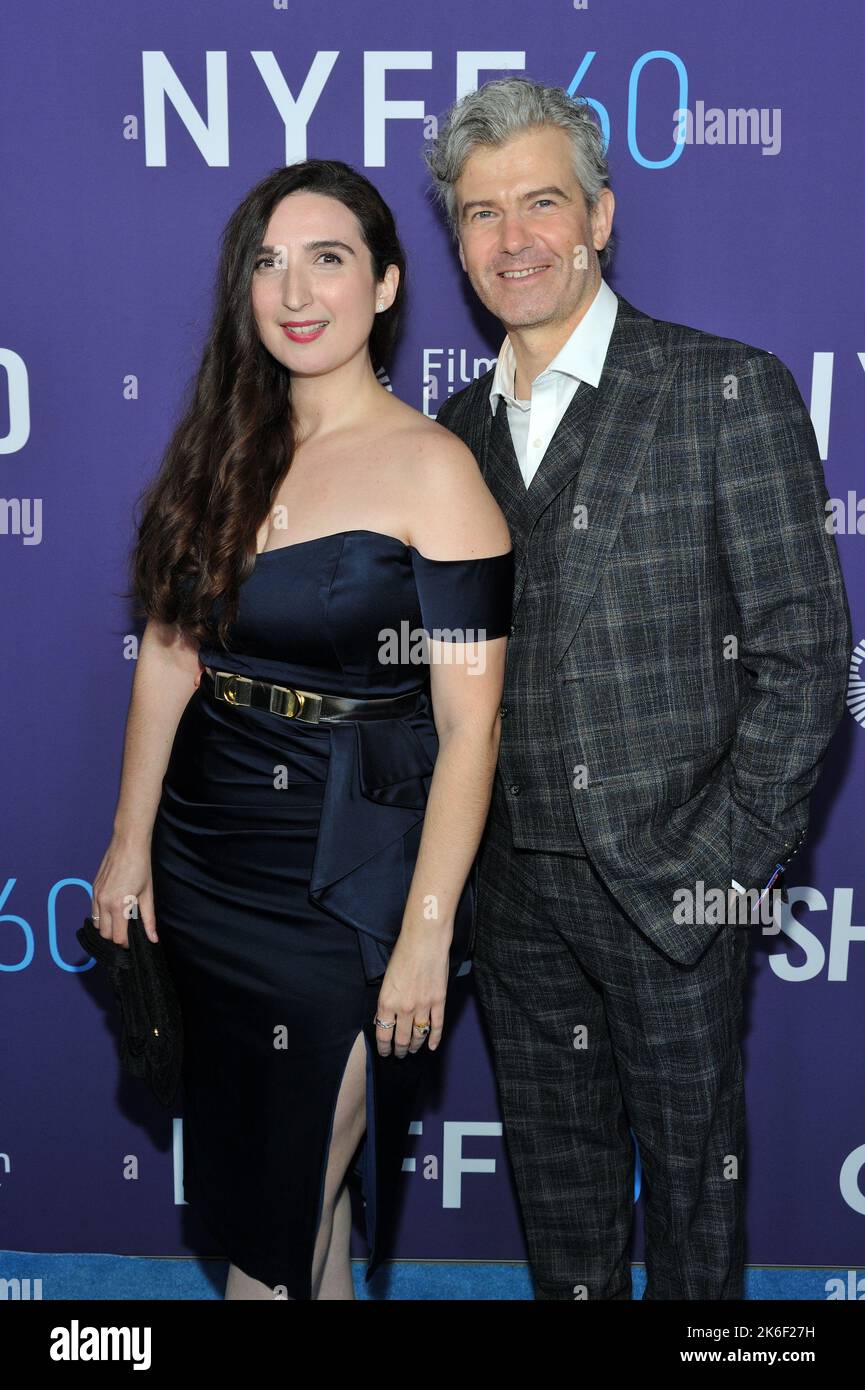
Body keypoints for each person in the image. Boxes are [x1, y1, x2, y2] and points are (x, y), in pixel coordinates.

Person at [424, 76, 852, 1300]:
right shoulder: (446, 434)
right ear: (457, 238)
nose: (515, 239)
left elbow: (805, 654)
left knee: (695, 1222)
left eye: (542, 202)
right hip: (510, 909)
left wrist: (717, 866)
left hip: (675, 898)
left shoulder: (726, 390)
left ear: (601, 217)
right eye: (482, 212)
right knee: (560, 1224)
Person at [90, 158, 514, 1301]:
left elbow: (471, 727)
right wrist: (130, 843)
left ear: (382, 287)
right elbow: (173, 658)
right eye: (268, 261)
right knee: (289, 1212)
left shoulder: (437, 470)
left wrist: (426, 932)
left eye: (327, 258)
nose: (295, 289)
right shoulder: (221, 449)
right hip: (210, 850)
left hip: (350, 881)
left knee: (276, 1214)